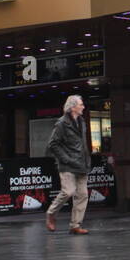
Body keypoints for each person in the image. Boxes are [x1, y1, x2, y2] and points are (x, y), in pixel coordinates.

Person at [45, 95, 92, 235]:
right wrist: (65, 159)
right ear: (73, 107)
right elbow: (53, 144)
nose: (83, 107)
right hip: (67, 165)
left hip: (81, 163)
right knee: (68, 191)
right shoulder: (61, 123)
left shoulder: (82, 121)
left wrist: (86, 160)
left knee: (82, 194)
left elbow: (82, 144)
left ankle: (75, 225)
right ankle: (51, 214)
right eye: (81, 105)